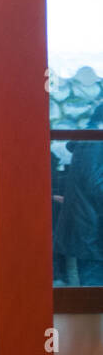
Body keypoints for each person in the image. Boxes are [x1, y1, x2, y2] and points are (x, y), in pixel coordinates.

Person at [54, 102, 103, 285]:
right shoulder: (94, 142)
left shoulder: (91, 140)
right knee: (94, 288)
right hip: (92, 231)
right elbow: (96, 185)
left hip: (90, 228)